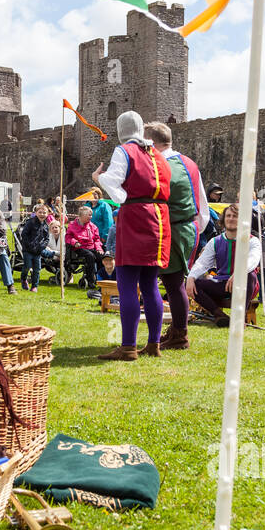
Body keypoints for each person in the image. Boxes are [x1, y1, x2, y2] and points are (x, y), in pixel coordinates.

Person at [94, 111, 171, 360]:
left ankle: (128, 346)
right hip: (159, 220)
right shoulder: (158, 155)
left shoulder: (124, 151)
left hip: (136, 216)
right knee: (150, 285)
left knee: (126, 284)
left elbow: (116, 187)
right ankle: (153, 344)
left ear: (120, 130)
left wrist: (98, 178)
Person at [144, 121, 199, 351]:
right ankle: (176, 331)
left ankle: (179, 335)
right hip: (186, 227)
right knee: (171, 282)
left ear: (152, 143)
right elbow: (201, 202)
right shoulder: (188, 163)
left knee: (171, 283)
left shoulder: (161, 164)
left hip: (172, 229)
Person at [187, 204, 261, 328]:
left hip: (244, 284)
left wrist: (238, 273)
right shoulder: (215, 241)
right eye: (228, 216)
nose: (231, 219)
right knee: (193, 283)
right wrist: (191, 277)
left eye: (235, 216)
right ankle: (219, 315)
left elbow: (253, 259)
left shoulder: (252, 241)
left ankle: (240, 318)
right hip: (223, 283)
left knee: (250, 275)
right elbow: (202, 263)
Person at [64, 204, 106, 294]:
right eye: (88, 215)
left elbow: (97, 239)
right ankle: (90, 280)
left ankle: (101, 280)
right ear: (81, 216)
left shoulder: (93, 226)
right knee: (90, 256)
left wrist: (99, 248)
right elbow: (68, 237)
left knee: (101, 257)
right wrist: (74, 242)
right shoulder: (72, 225)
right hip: (79, 248)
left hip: (91, 247)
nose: (90, 217)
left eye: (91, 215)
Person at [18, 203, 54, 293]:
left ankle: (34, 286)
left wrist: (42, 246)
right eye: (40, 212)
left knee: (37, 269)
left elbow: (46, 238)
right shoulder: (30, 222)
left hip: (38, 251)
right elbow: (24, 234)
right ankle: (23, 279)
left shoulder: (46, 225)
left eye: (44, 212)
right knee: (27, 266)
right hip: (28, 249)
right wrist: (29, 245)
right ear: (36, 213)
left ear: (47, 214)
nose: (42, 214)